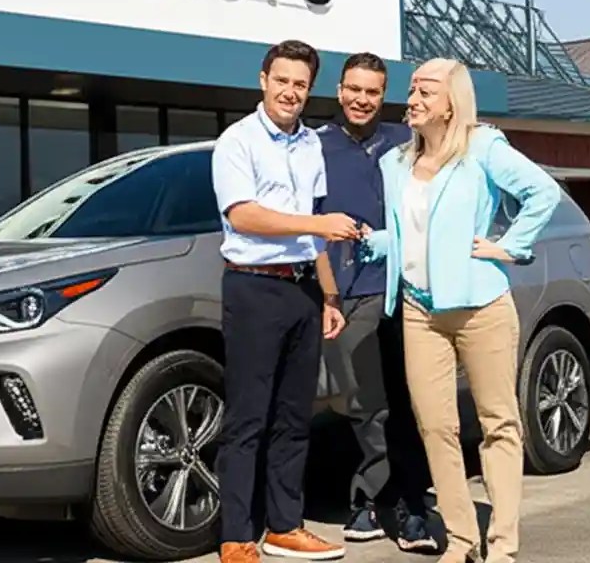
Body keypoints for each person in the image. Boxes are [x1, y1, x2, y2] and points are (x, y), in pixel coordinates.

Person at [355, 58, 560, 563]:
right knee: (435, 428)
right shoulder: (395, 163)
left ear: (452, 103)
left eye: (426, 91)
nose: (414, 100)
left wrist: (509, 246)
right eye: (413, 90)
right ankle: (463, 541)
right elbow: (410, 233)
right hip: (419, 309)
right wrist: (372, 242)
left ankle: (503, 545)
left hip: (481, 307)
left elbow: (543, 192)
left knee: (498, 424)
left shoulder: (483, 148)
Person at [211, 39, 356, 563]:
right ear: (263, 80)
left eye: (300, 84)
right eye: (282, 81)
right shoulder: (237, 142)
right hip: (253, 286)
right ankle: (235, 534)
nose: (290, 92)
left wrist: (329, 294)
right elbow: (244, 215)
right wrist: (316, 224)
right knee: (248, 416)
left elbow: (312, 239)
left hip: (302, 288)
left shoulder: (310, 146)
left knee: (295, 415)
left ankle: (284, 526)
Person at [314, 53, 437, 553]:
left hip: (408, 288)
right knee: (366, 405)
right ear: (340, 90)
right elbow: (311, 229)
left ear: (383, 95)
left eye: (372, 92)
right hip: (351, 292)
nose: (362, 100)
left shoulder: (405, 145)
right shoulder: (316, 147)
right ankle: (370, 497)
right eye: (354, 89)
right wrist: (330, 294)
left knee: (410, 403)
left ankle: (410, 506)